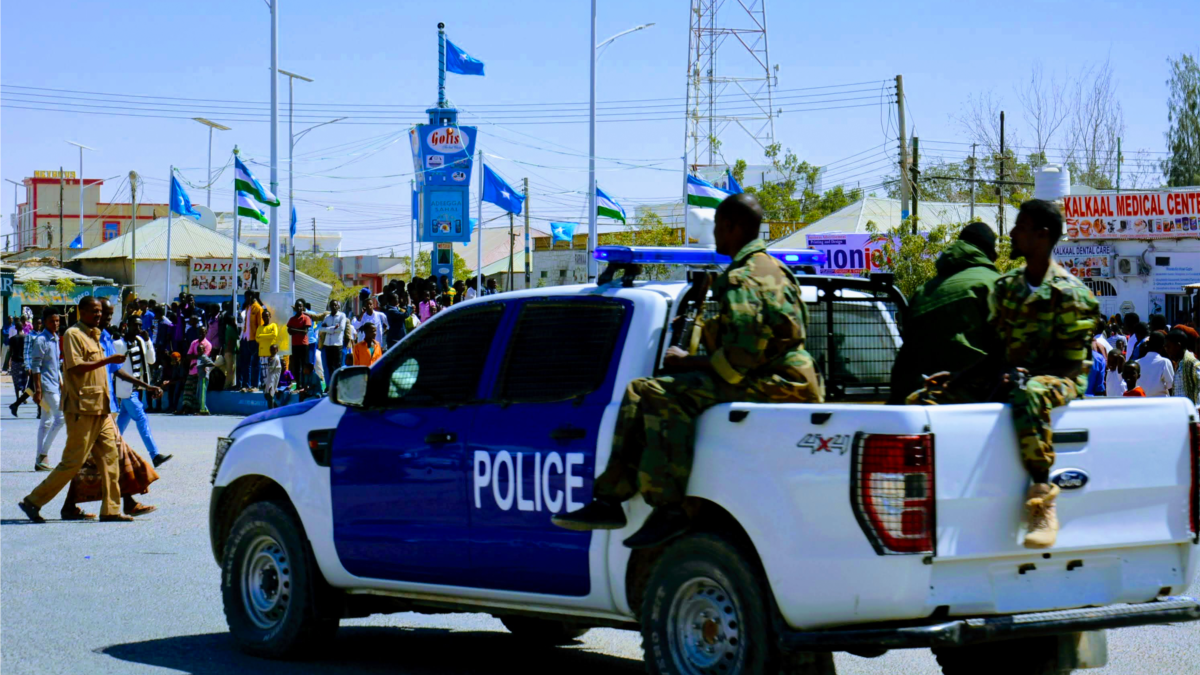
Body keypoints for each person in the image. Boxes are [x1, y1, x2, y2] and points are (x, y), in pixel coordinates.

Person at [553, 193, 825, 548]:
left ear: (732, 226)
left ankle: (669, 507)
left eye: (718, 227)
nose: (716, 234)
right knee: (643, 389)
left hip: (777, 384)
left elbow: (739, 363)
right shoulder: (776, 270)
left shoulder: (742, 279)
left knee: (655, 392)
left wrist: (686, 361)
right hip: (798, 380)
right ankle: (610, 499)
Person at [987, 199, 1100, 549]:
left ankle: (1042, 500)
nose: (1012, 232)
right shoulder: (1006, 289)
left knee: (1031, 392)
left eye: (1020, 226)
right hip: (1015, 375)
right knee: (932, 395)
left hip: (1060, 378)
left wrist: (1024, 375)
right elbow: (994, 349)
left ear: (1042, 234)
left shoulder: (1072, 295)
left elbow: (1073, 363)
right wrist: (958, 379)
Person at [18, 295, 131, 523]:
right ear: (81, 312)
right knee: (73, 462)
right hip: (82, 409)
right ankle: (33, 501)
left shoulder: (96, 336)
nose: (98, 315)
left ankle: (111, 510)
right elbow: (76, 367)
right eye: (94, 311)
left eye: (100, 311)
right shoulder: (73, 335)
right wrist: (107, 360)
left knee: (111, 458)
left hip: (102, 409)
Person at [890, 222, 1001, 404]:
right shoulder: (995, 284)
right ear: (990, 254)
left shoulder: (923, 291)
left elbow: (908, 351)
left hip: (921, 393)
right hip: (977, 395)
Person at [113, 320, 170, 467]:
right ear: (127, 326)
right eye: (135, 325)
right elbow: (114, 368)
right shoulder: (119, 344)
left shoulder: (140, 341)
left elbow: (151, 360)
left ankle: (106, 450)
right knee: (141, 418)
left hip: (136, 389)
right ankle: (155, 454)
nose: (138, 328)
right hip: (127, 389)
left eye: (140, 325)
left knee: (120, 424)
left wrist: (148, 341)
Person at [29, 308, 65, 472]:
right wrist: (38, 390)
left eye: (57, 320)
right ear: (44, 321)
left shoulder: (56, 338)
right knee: (61, 417)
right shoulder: (41, 340)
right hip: (46, 386)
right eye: (52, 321)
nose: (55, 323)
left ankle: (39, 460)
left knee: (47, 421)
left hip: (54, 385)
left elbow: (55, 364)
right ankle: (43, 454)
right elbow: (35, 366)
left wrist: (61, 380)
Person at [318, 299, 349, 386]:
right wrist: (333, 329)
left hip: (337, 345)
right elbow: (321, 328)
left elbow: (341, 328)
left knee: (337, 366)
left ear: (338, 306)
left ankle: (338, 385)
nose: (334, 307)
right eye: (332, 305)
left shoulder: (342, 316)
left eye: (336, 305)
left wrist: (327, 328)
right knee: (329, 366)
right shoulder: (327, 317)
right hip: (328, 345)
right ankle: (331, 385)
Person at [1166, 329, 1200, 404]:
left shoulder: (1192, 364)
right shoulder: (1179, 364)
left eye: (1169, 346)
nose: (1167, 350)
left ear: (1178, 346)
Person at [286, 299, 313, 395]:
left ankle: (306, 385)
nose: (299, 308)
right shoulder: (292, 319)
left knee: (304, 366)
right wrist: (299, 330)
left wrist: (294, 330)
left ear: (303, 307)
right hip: (295, 345)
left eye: (300, 306)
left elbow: (305, 331)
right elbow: (289, 331)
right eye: (297, 306)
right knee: (296, 366)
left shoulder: (306, 318)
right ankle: (298, 385)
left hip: (303, 344)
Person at [1135, 332, 1174, 397]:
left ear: (1148, 345)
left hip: (1142, 403)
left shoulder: (1136, 363)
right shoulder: (1164, 362)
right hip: (1161, 404)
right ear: (1162, 347)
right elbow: (1171, 387)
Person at [239, 291, 263, 390]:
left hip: (254, 340)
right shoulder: (248, 307)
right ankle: (245, 385)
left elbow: (260, 326)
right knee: (245, 363)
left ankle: (254, 385)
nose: (245, 299)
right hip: (246, 338)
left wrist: (258, 340)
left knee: (255, 363)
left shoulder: (258, 308)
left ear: (251, 296)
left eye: (246, 297)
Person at [8, 316, 28, 416]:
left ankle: (17, 398)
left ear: (15, 328)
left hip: (15, 361)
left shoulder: (12, 339)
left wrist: (9, 362)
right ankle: (23, 398)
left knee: (16, 381)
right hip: (24, 361)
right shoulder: (26, 338)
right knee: (24, 381)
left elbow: (10, 352)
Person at [263, 343, 283, 409]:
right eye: (271, 349)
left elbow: (271, 368)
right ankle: (277, 407)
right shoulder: (272, 358)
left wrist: (269, 360)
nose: (272, 351)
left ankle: (271, 410)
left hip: (273, 378)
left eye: (274, 349)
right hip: (269, 377)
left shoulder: (275, 358)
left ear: (277, 350)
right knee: (266, 395)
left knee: (270, 395)